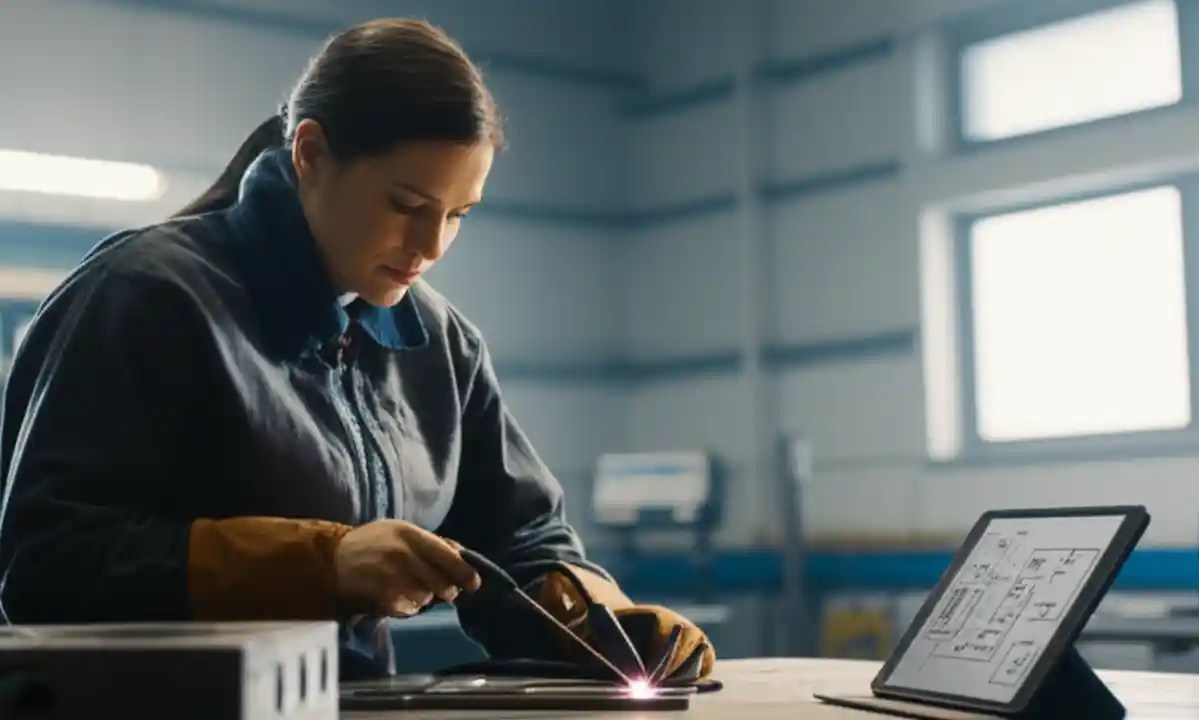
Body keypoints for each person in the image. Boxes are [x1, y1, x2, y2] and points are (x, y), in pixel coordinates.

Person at [0, 18, 715, 681]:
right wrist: (321, 563)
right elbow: (48, 565)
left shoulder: (440, 345)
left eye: (457, 215)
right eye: (407, 206)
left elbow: (522, 538)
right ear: (310, 153)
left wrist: (597, 620)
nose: (431, 246)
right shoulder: (146, 298)